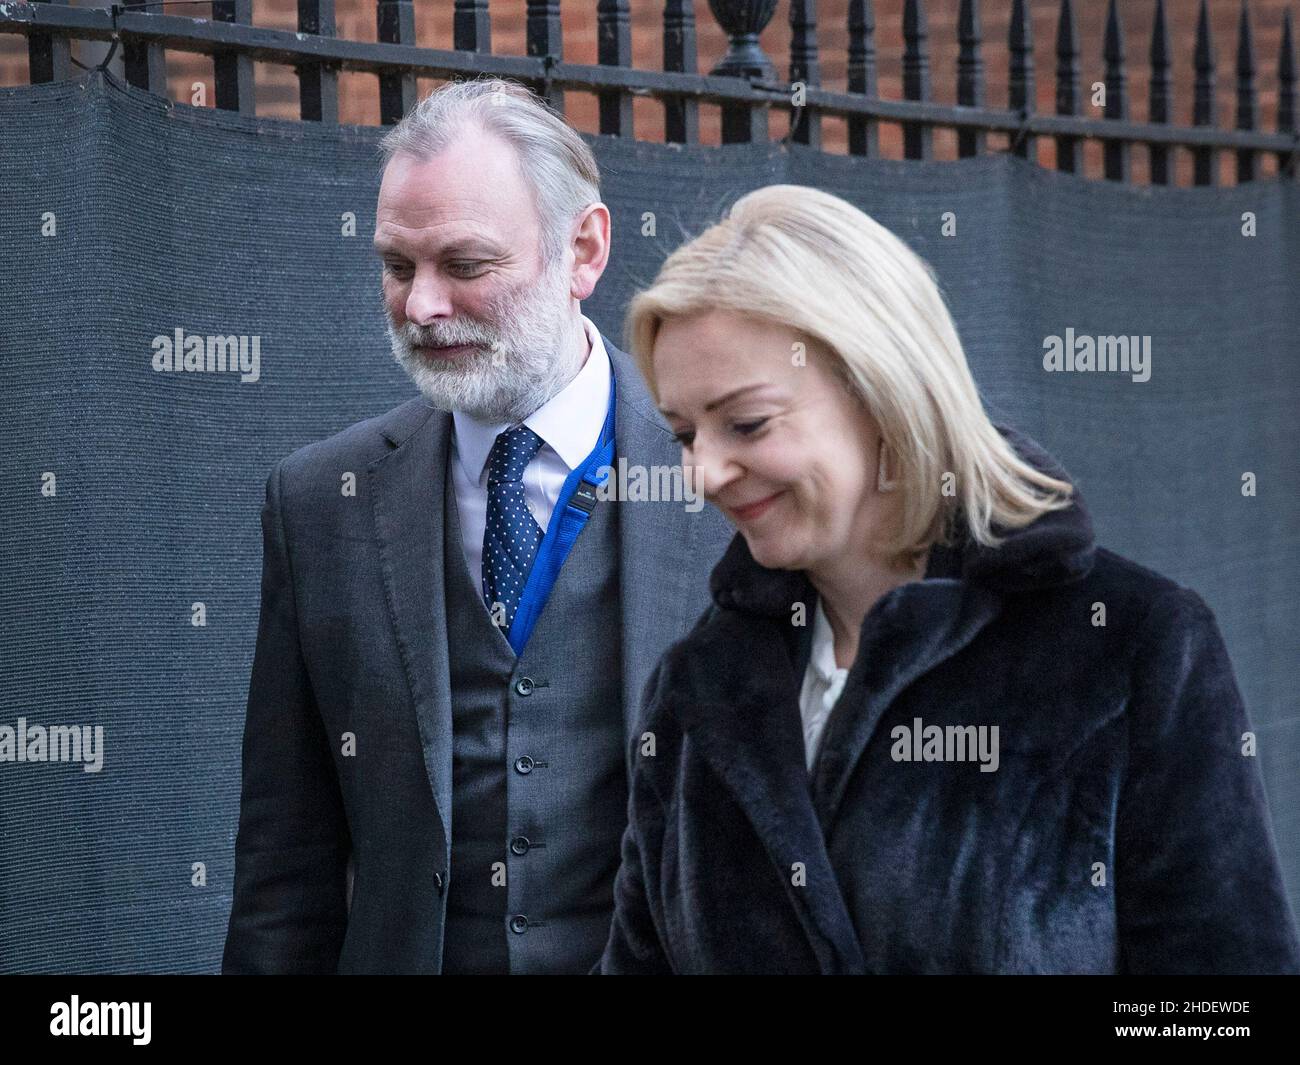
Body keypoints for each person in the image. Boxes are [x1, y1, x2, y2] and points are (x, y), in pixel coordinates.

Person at [597, 184, 1300, 974]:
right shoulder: (697, 690)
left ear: (881, 389)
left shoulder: (1134, 645)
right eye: (685, 434)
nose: (706, 472)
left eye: (748, 423)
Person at [221, 78, 731, 974]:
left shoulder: (727, 484)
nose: (420, 305)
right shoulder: (316, 503)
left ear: (585, 250)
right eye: (396, 264)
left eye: (464, 265)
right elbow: (284, 871)